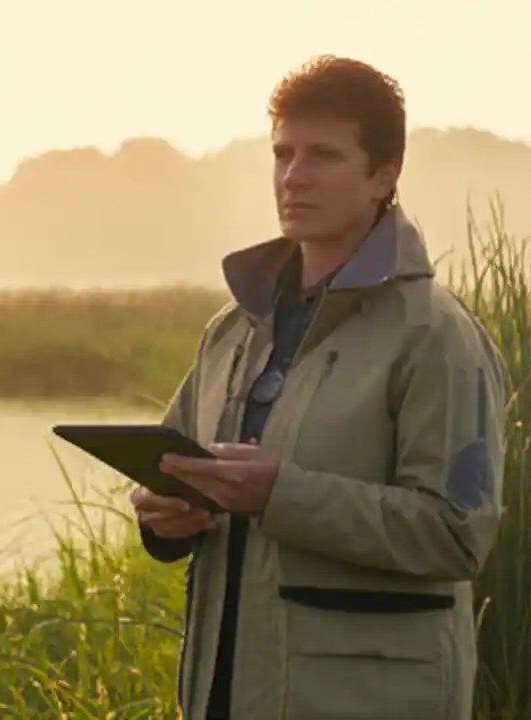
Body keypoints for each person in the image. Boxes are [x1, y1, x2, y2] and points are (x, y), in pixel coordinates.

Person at [130, 54, 508, 720]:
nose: (294, 177)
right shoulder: (232, 329)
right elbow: (179, 472)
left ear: (384, 175)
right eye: (282, 154)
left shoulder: (435, 336)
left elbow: (455, 534)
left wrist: (281, 493)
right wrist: (167, 516)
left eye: (324, 156)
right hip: (227, 696)